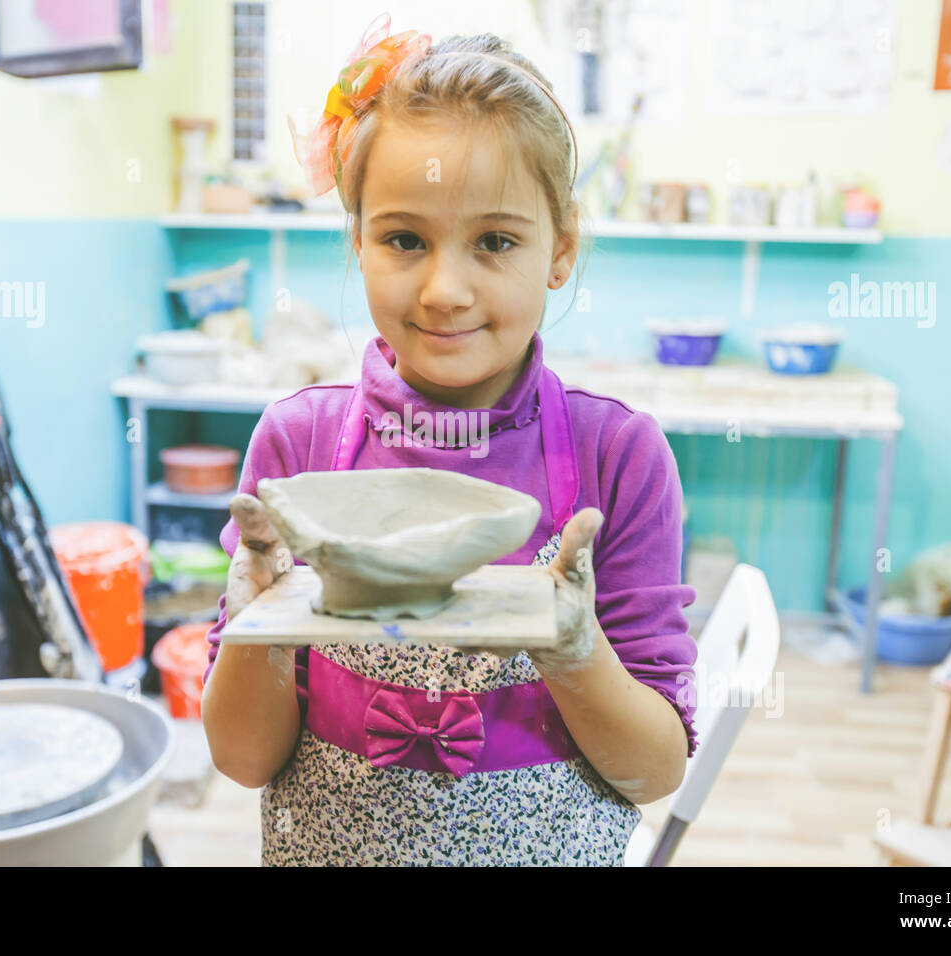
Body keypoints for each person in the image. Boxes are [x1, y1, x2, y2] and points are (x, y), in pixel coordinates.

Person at [201, 15, 698, 866]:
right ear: (357, 240)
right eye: (404, 239)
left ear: (561, 248)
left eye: (495, 241)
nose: (444, 290)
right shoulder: (298, 445)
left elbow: (654, 774)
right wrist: (262, 625)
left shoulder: (620, 458)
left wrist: (573, 649)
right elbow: (243, 760)